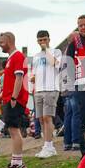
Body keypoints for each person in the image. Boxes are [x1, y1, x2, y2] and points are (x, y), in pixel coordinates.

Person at [0, 31, 29, 168]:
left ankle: (18, 163)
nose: (0, 45)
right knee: (12, 130)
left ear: (9, 41)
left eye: (2, 42)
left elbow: (19, 78)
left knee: (14, 130)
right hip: (9, 98)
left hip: (14, 99)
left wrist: (13, 97)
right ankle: (15, 162)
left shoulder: (17, 56)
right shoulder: (12, 58)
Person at [30, 30, 62, 158]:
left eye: (44, 39)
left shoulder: (56, 51)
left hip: (51, 88)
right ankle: (47, 145)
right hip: (38, 89)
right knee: (41, 119)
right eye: (40, 40)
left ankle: (49, 146)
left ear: (49, 39)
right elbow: (34, 71)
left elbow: (55, 64)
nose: (42, 42)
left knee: (48, 117)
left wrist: (46, 50)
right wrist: (33, 78)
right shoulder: (36, 56)